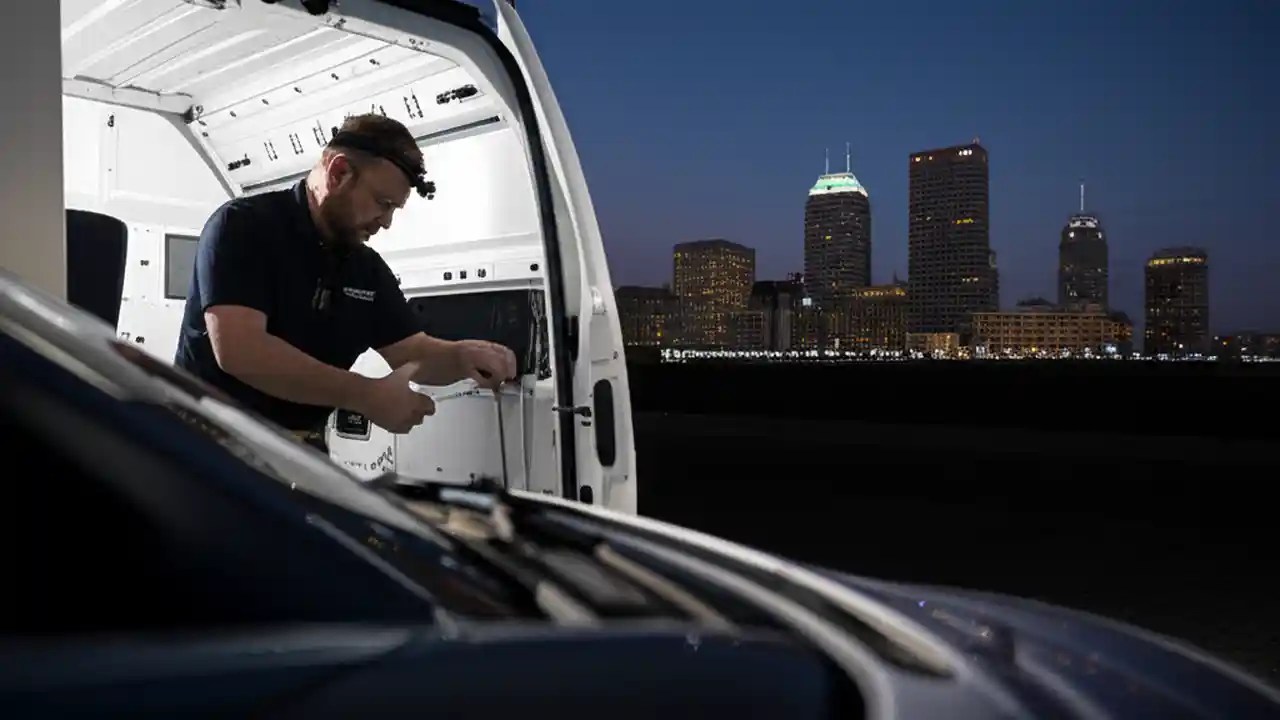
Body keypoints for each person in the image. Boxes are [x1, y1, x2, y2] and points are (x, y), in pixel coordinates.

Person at [174, 113, 516, 452]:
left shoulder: (365, 268)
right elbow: (241, 351)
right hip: (208, 444)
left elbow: (412, 352)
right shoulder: (244, 226)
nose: (386, 222)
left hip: (297, 451)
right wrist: (366, 395)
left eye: (394, 209)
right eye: (382, 204)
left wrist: (460, 356)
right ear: (338, 173)